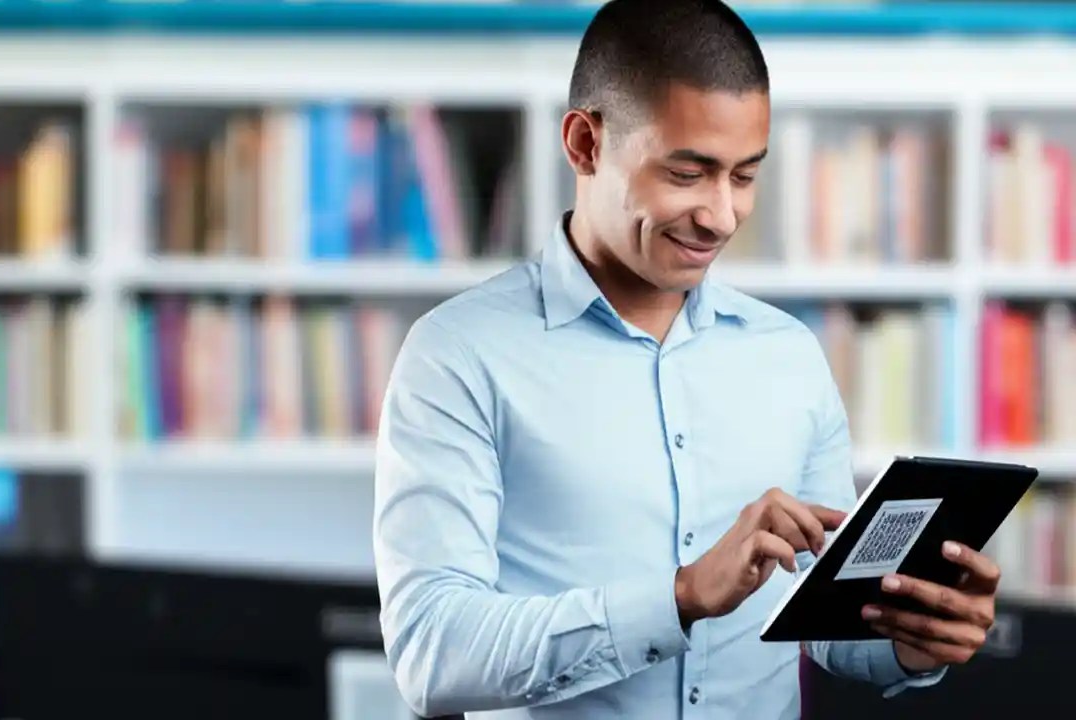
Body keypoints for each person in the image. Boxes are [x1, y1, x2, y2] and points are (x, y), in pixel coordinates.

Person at [372, 0, 1000, 718]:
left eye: (744, 176)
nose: (721, 216)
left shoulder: (789, 357)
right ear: (585, 144)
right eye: (687, 173)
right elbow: (430, 654)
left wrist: (915, 638)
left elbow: (821, 619)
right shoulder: (458, 356)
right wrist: (680, 597)